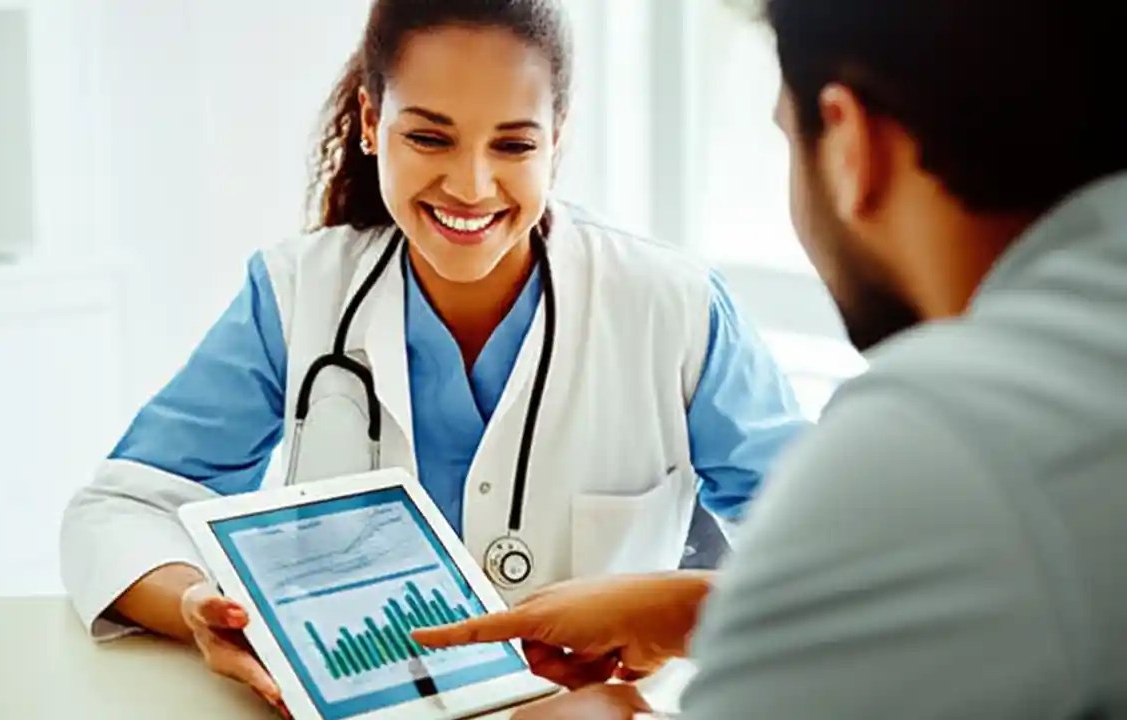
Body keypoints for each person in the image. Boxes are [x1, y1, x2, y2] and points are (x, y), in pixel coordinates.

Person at [58, 0, 808, 710]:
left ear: (560, 136)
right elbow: (122, 507)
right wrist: (197, 603)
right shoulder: (296, 294)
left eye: (513, 144)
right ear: (369, 121)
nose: (471, 185)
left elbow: (834, 559)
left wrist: (675, 608)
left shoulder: (671, 308)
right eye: (428, 137)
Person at [412, 0, 1127, 718]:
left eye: (785, 136)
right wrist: (701, 609)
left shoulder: (933, 438)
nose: (471, 183)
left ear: (848, 142)